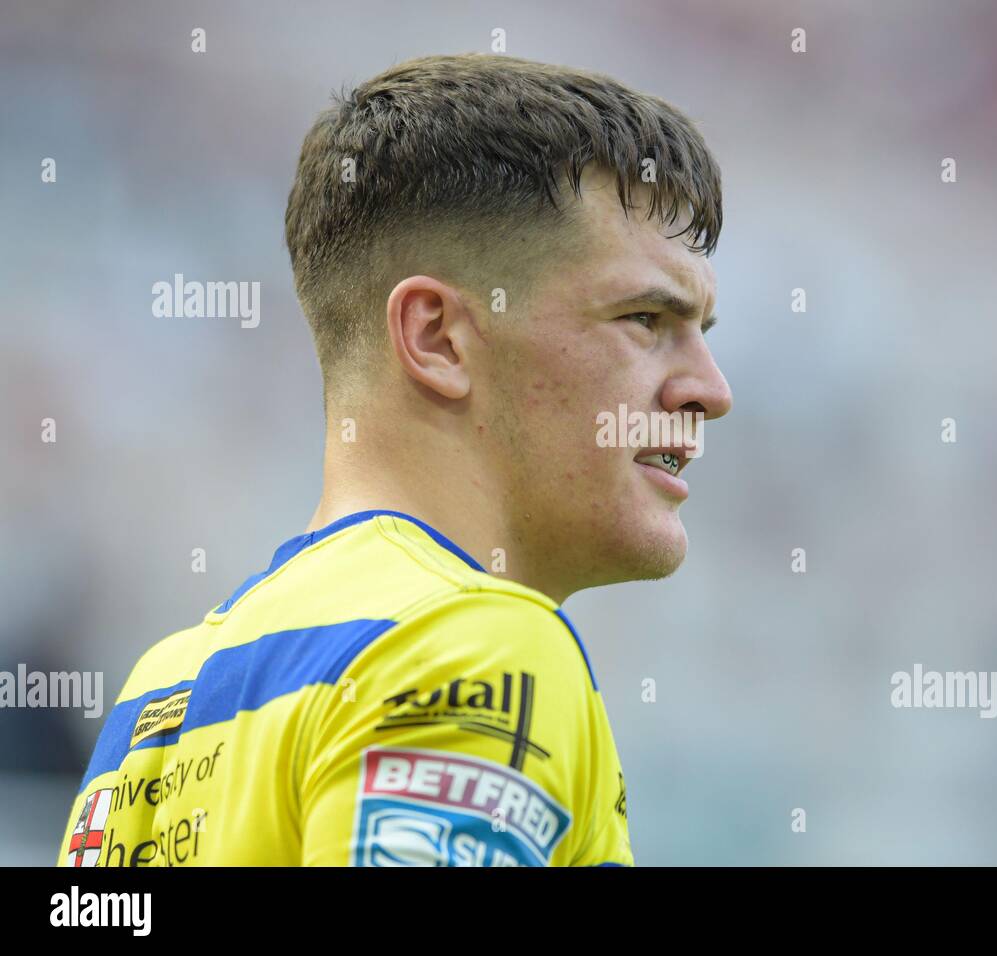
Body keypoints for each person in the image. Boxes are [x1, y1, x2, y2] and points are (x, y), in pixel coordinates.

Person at [58, 52, 732, 867]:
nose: (709, 389)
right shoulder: (477, 643)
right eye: (644, 318)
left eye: (702, 331)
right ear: (437, 338)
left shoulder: (158, 697)